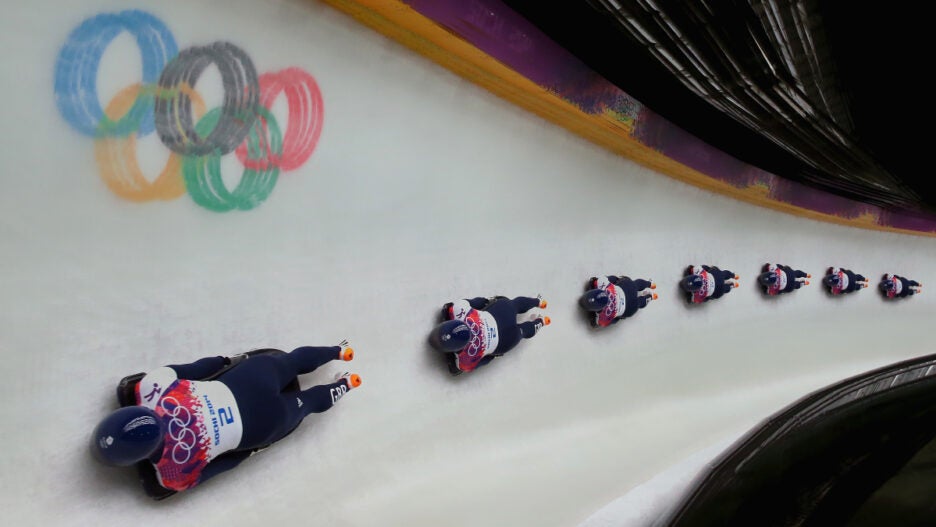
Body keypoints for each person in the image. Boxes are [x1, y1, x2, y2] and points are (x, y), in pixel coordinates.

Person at [90, 342, 361, 492]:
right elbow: (200, 368)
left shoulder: (172, 475)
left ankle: (347, 384)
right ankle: (339, 351)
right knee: (289, 362)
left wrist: (251, 450)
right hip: (249, 380)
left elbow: (225, 465)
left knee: (306, 404)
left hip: (261, 425)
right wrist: (227, 361)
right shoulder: (151, 386)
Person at [431, 295, 549, 374]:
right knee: (514, 305)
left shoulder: (464, 362)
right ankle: (538, 302)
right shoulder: (458, 309)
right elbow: (479, 302)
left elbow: (485, 361)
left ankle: (541, 322)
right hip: (501, 313)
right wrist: (488, 301)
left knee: (521, 332)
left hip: (504, 341)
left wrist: (492, 355)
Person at [581, 275, 657, 327]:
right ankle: (649, 284)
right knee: (634, 285)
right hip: (626, 288)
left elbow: (614, 321)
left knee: (638, 303)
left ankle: (650, 297)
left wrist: (619, 316)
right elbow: (612, 278)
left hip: (627, 308)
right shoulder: (601, 282)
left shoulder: (602, 318)